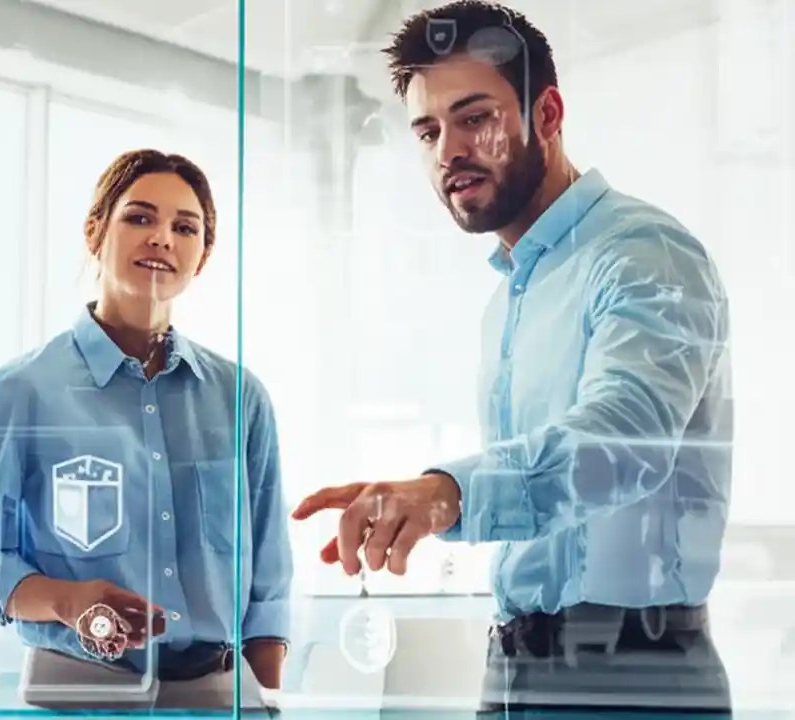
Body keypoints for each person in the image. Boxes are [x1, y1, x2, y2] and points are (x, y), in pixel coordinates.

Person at [291, 1, 732, 716]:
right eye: (428, 130)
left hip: (633, 679)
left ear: (548, 114)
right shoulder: (509, 299)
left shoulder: (641, 254)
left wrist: (446, 493)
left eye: (475, 118)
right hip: (516, 671)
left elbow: (625, 438)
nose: (448, 151)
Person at [0, 149, 292, 709]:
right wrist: (70, 601)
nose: (162, 238)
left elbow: (269, 587)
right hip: (77, 689)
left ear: (202, 257)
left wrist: (267, 702)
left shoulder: (241, 398)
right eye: (140, 217)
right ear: (95, 232)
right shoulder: (21, 392)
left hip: (219, 693)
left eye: (186, 228)